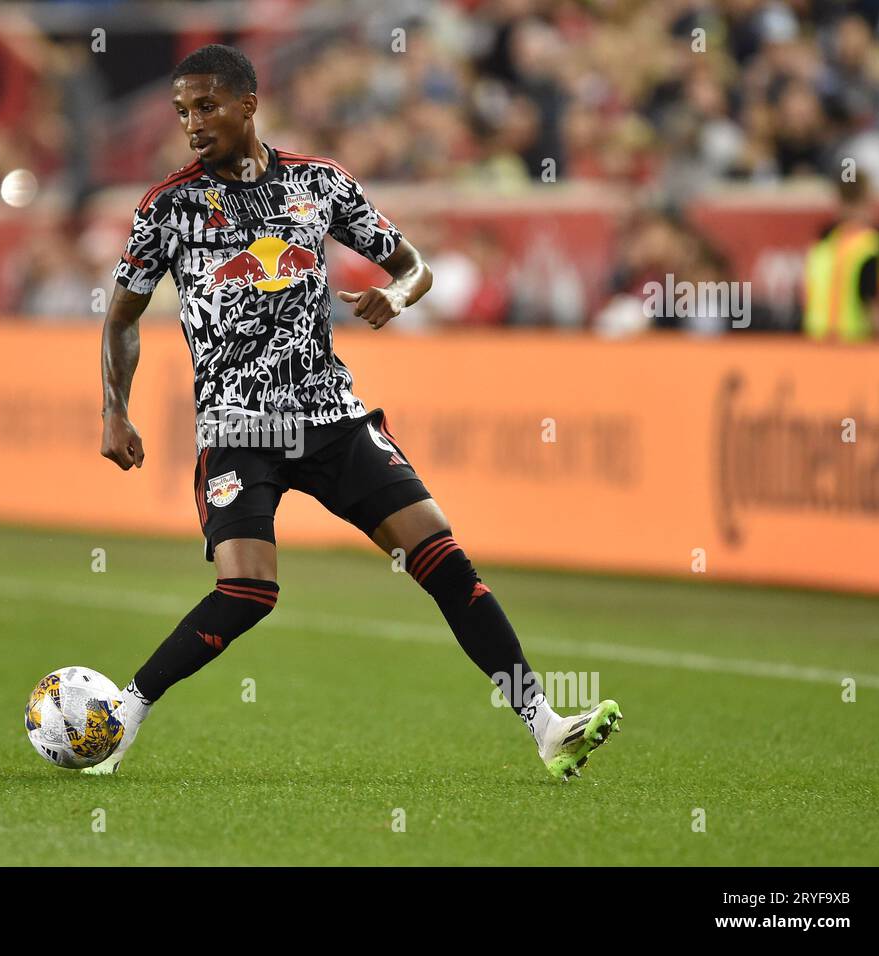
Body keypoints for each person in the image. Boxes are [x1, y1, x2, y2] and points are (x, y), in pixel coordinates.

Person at [92, 45, 620, 780]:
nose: (191, 123)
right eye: (182, 110)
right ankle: (126, 712)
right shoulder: (168, 206)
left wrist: (395, 298)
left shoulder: (319, 184)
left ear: (248, 103)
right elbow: (121, 316)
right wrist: (115, 410)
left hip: (331, 416)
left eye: (206, 106)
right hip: (238, 428)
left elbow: (415, 267)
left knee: (442, 558)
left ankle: (545, 724)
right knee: (248, 591)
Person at [803, 172, 879, 341]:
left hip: (817, 343)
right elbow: (877, 312)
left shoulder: (824, 244)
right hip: (856, 344)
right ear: (867, 198)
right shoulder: (872, 244)